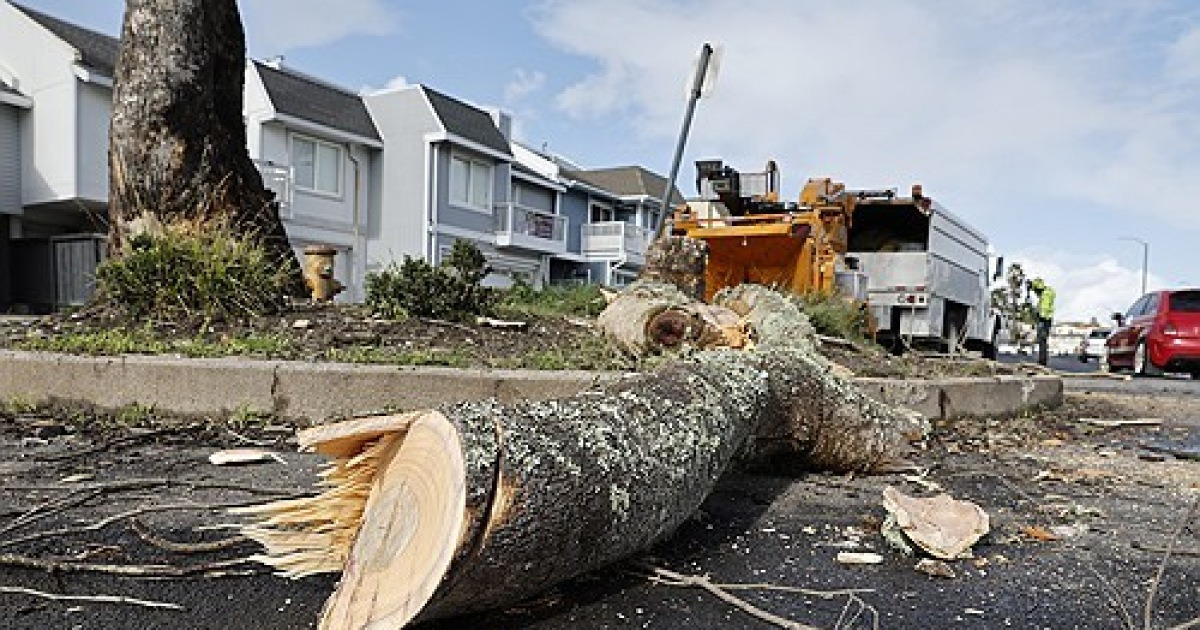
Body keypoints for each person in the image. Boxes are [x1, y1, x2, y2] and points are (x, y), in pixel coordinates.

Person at [1030, 278, 1056, 366]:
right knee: (1042, 341)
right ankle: (1042, 360)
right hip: (1046, 319)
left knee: (1042, 341)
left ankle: (1042, 361)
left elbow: (1044, 309)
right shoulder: (1046, 293)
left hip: (1044, 320)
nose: (1036, 293)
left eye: (1036, 290)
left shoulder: (1045, 294)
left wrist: (1038, 315)